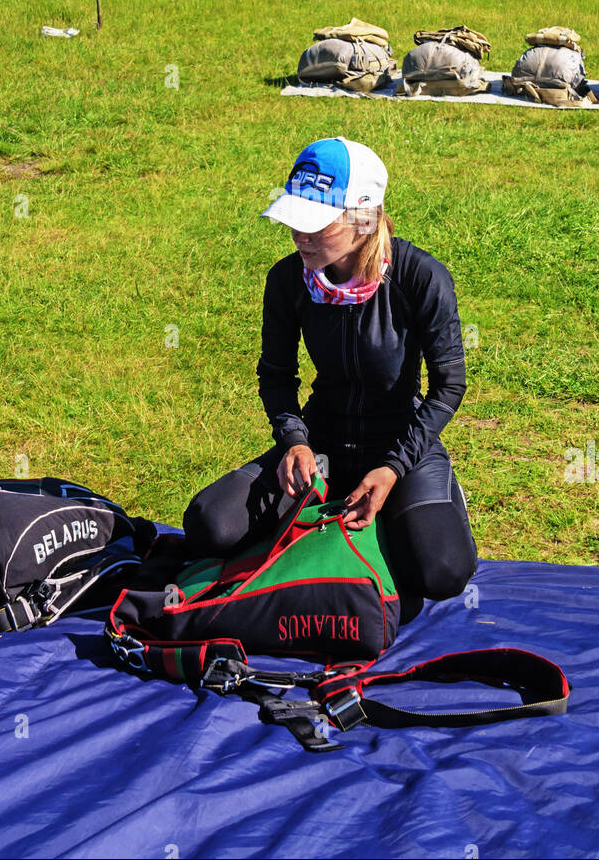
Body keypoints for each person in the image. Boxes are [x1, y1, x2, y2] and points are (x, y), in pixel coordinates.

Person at [183, 137, 479, 616]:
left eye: (314, 223)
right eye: (292, 220)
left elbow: (449, 385)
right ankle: (336, 498)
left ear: (364, 217)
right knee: (208, 527)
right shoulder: (287, 280)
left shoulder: (421, 277)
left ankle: (423, 502)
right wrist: (294, 443)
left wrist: (393, 469)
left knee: (440, 572)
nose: (299, 236)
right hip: (320, 442)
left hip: (400, 444)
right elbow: (276, 374)